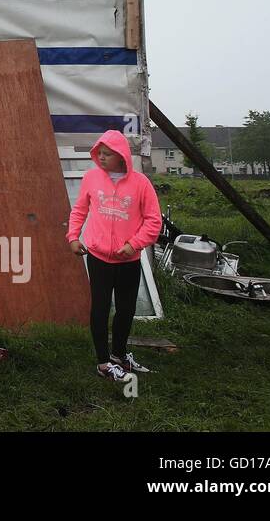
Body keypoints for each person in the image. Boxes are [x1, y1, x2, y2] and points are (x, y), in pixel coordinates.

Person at [67, 129, 162, 382]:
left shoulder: (140, 183)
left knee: (126, 309)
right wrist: (73, 238)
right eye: (100, 153)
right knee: (99, 309)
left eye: (107, 154)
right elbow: (79, 211)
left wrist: (135, 244)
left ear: (121, 156)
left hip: (128, 260)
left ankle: (119, 355)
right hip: (98, 258)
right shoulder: (91, 178)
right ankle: (103, 363)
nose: (102, 158)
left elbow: (153, 221)